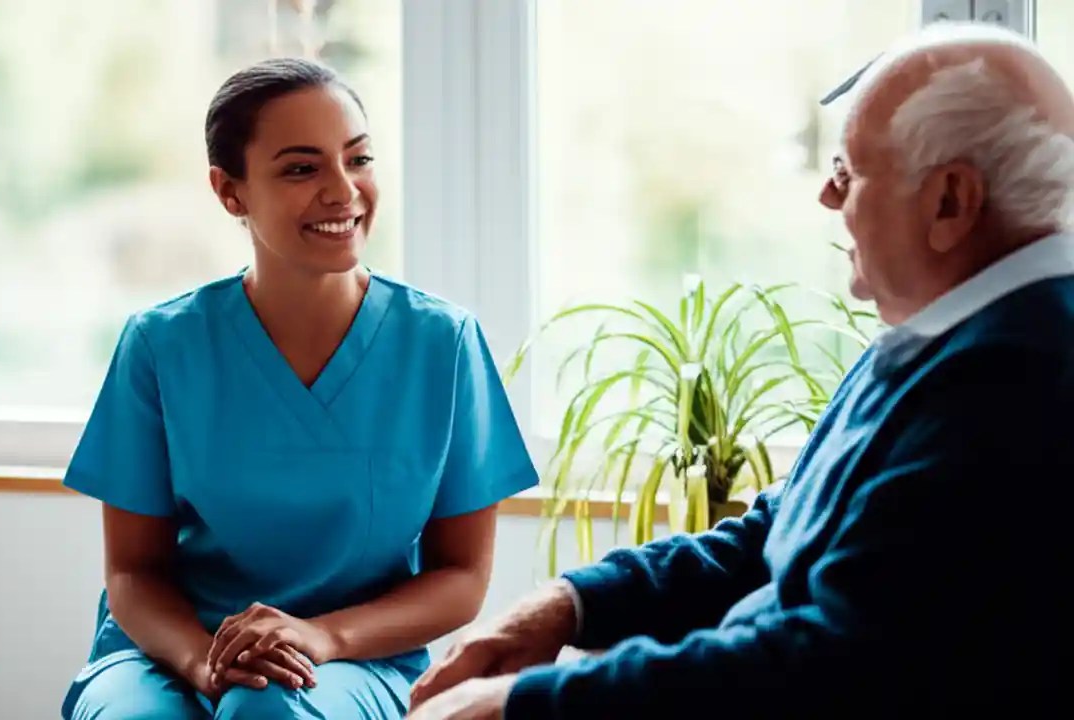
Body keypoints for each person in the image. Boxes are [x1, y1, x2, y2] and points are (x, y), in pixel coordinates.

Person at [408, 21, 1074, 719]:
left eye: (849, 172)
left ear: (950, 201)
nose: (825, 195)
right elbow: (775, 533)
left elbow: (835, 665)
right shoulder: (949, 331)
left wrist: (522, 702)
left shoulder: (1019, 380)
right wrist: (571, 605)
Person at [59, 57, 538, 720]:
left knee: (268, 712)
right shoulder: (162, 346)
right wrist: (206, 663)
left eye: (359, 159)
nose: (343, 191)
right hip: (169, 652)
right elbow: (134, 575)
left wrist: (323, 636)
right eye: (301, 168)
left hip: (357, 658)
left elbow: (461, 579)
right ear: (231, 192)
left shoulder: (441, 345)